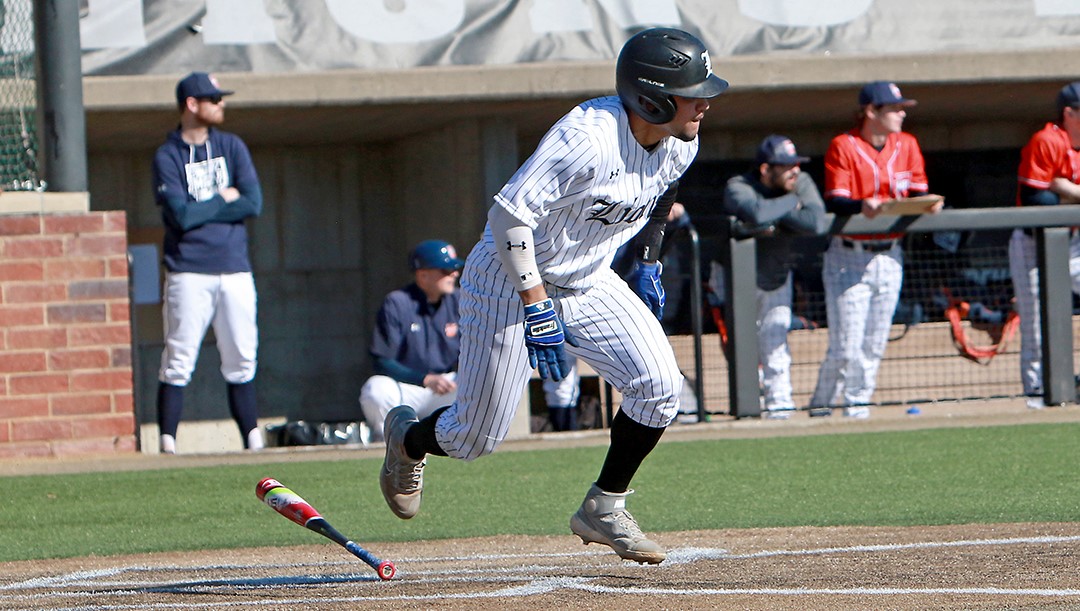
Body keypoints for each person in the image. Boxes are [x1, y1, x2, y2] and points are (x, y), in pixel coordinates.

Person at [376, 27, 728, 565]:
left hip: (588, 277)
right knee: (475, 438)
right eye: (692, 92)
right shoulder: (587, 137)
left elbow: (664, 194)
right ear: (652, 96)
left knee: (659, 386)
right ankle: (408, 439)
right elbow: (507, 217)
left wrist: (649, 262)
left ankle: (604, 508)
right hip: (507, 276)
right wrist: (536, 303)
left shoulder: (682, 140)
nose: (704, 102)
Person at [808, 81, 942, 419]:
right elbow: (836, 198)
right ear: (871, 111)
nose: (900, 114)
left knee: (873, 344)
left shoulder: (907, 143)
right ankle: (821, 410)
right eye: (894, 109)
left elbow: (916, 191)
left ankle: (857, 410)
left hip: (889, 254)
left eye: (901, 108)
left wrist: (926, 205)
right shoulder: (844, 144)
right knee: (846, 347)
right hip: (849, 256)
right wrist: (859, 205)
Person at [152, 72, 264, 454]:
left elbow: (253, 202)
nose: (221, 104)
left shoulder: (232, 146)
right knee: (179, 355)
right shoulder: (167, 155)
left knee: (241, 355)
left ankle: (252, 438)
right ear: (191, 105)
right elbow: (180, 216)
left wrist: (213, 205)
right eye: (213, 99)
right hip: (188, 269)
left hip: (234, 268)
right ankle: (167, 441)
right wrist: (223, 199)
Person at [721, 135, 828, 419]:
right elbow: (755, 213)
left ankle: (780, 410)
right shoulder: (739, 185)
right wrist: (792, 203)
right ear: (766, 170)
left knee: (776, 344)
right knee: (740, 349)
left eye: (796, 164)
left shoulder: (799, 181)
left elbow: (816, 221)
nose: (795, 171)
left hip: (777, 275)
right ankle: (745, 412)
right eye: (786, 166)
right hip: (735, 279)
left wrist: (779, 209)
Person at [1010, 81, 1080, 409]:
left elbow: (1057, 191)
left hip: (1074, 241)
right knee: (1037, 323)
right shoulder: (1048, 139)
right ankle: (1037, 396)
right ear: (1069, 113)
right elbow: (1037, 197)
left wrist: (1066, 188)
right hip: (1033, 245)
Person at [359, 240, 464, 442]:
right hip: (408, 388)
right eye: (446, 269)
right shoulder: (398, 302)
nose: (454, 274)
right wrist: (425, 379)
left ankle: (464, 441)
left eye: (454, 269)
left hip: (445, 387)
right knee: (375, 389)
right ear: (422, 274)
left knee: (483, 381)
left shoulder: (461, 300)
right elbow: (382, 360)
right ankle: (389, 443)